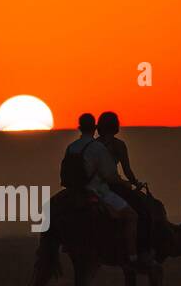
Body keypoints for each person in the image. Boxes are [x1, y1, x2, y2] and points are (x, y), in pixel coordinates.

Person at [62, 113, 142, 268]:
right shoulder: (110, 146)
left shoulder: (75, 146)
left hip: (76, 189)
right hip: (100, 188)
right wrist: (131, 183)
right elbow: (116, 173)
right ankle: (133, 255)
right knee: (132, 215)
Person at [96, 111, 160, 259]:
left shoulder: (94, 145)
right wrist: (135, 183)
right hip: (112, 186)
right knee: (143, 212)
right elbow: (127, 170)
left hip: (95, 186)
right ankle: (141, 252)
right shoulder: (118, 145)